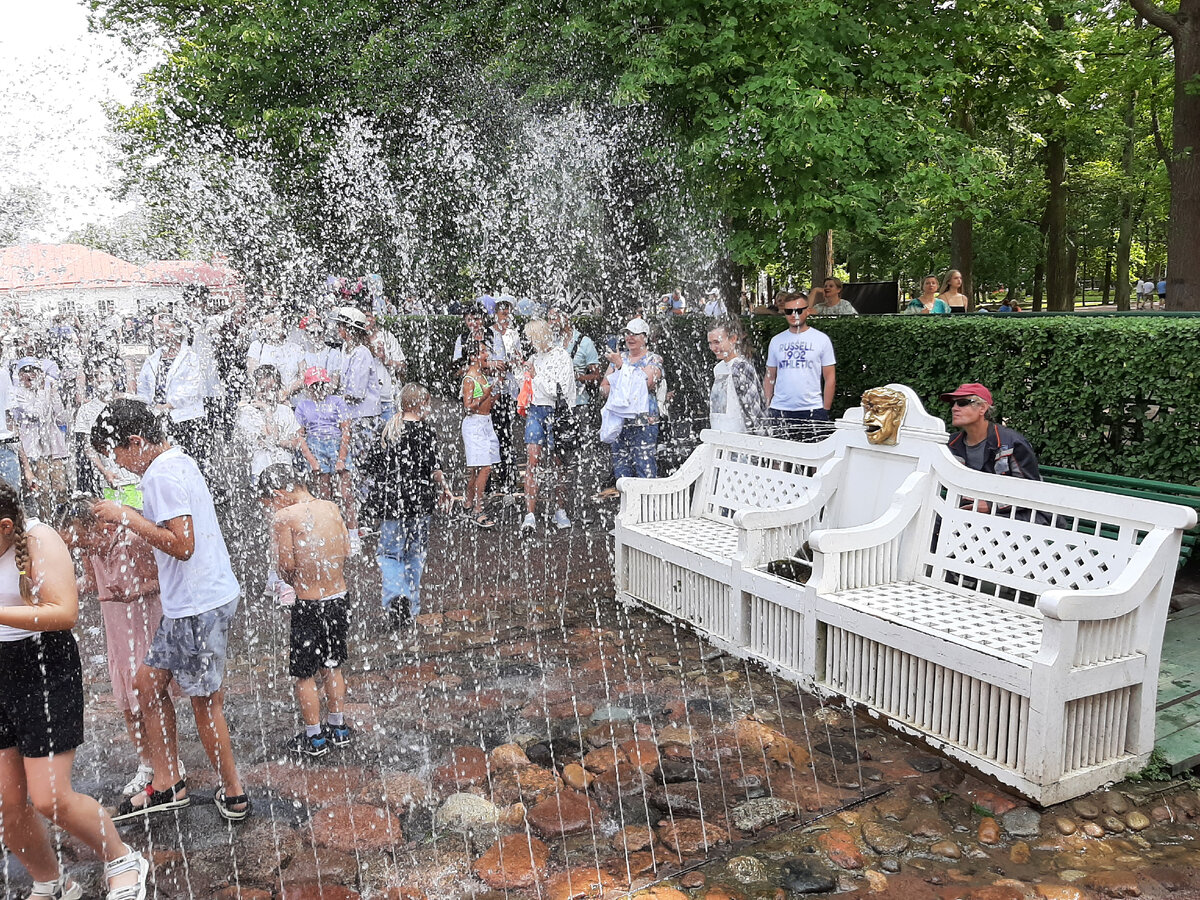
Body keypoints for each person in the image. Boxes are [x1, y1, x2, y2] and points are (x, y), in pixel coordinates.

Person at [90, 398, 248, 823]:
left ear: (136, 441)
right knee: (146, 683)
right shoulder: (179, 460)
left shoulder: (159, 474)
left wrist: (127, 518)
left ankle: (233, 792)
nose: (120, 466)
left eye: (118, 455)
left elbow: (182, 544)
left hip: (197, 606)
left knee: (204, 702)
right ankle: (167, 782)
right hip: (193, 603)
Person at [0, 481, 149, 900]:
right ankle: (52, 882)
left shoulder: (40, 539)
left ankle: (122, 858)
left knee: (49, 798)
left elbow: (63, 612)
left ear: (6, 526)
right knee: (8, 805)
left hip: (42, 665)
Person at [59, 498, 186, 800]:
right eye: (73, 544)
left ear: (97, 525)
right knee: (128, 703)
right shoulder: (90, 549)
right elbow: (90, 582)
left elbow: (162, 580)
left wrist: (133, 592)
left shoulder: (130, 540)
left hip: (145, 621)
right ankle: (146, 764)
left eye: (80, 539)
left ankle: (170, 762)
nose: (79, 548)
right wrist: (55, 590)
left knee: (153, 697)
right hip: (117, 628)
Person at [258, 464, 353, 757]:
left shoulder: (284, 517)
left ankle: (315, 738)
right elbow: (346, 548)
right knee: (332, 663)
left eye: (269, 503)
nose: (270, 509)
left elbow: (286, 565)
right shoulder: (331, 507)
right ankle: (338, 728)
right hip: (339, 595)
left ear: (278, 494)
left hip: (309, 603)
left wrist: (293, 582)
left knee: (305, 674)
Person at [360, 384, 451, 630]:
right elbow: (434, 470)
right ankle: (410, 608)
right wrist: (445, 488)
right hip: (420, 503)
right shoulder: (426, 431)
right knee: (414, 554)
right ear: (419, 405)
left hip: (392, 503)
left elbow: (370, 466)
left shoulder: (388, 430)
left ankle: (395, 596)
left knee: (390, 554)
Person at [940, 383, 1042, 513]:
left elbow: (1032, 491)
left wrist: (991, 505)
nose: (954, 408)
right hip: (966, 514)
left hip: (1017, 517)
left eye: (962, 402)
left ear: (982, 408)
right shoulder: (950, 444)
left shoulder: (1012, 443)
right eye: (952, 404)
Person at [520, 320, 577, 534]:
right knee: (532, 461)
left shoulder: (561, 356)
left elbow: (557, 390)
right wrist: (523, 373)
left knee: (558, 464)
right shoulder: (535, 357)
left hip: (556, 413)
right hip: (535, 411)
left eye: (532, 338)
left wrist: (535, 376)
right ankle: (530, 515)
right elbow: (528, 387)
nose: (530, 343)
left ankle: (560, 510)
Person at [334, 306, 378, 552]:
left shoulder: (362, 354)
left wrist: (335, 392)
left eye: (342, 325)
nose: (338, 330)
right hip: (351, 417)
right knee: (352, 469)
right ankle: (355, 519)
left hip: (363, 418)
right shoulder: (345, 350)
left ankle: (360, 520)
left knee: (360, 469)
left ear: (350, 330)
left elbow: (356, 392)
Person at [763, 293, 836, 441]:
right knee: (779, 458)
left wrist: (825, 409)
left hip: (812, 408)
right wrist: (767, 406)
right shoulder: (776, 341)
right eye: (789, 311)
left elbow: (830, 377)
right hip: (780, 409)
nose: (794, 315)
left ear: (807, 310)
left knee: (814, 457)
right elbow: (770, 375)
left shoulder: (821, 340)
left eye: (799, 310)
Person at [600, 317, 663, 480]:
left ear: (645, 337)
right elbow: (604, 387)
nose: (630, 337)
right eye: (627, 333)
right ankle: (626, 504)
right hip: (620, 422)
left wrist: (620, 371)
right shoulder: (620, 358)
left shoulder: (653, 359)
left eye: (635, 334)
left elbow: (646, 383)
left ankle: (649, 504)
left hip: (644, 422)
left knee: (645, 465)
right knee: (621, 468)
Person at [136, 314, 206, 459]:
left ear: (179, 332)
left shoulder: (191, 357)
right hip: (159, 419)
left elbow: (192, 389)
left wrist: (167, 405)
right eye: (161, 331)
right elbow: (143, 387)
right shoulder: (153, 359)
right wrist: (146, 407)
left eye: (168, 331)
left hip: (186, 419)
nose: (165, 336)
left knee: (190, 461)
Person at [10, 358, 70, 522]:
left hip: (53, 447)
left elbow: (62, 419)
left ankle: (62, 522)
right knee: (43, 491)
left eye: (33, 370)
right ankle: (47, 524)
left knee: (61, 488)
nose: (29, 375)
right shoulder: (18, 395)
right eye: (25, 371)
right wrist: (44, 390)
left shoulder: (47, 390)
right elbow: (38, 414)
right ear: (20, 375)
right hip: (34, 450)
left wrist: (55, 395)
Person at [293, 366, 355, 519]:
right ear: (307, 388)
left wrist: (341, 459)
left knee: (346, 494)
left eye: (321, 385)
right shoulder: (302, 405)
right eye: (314, 386)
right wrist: (312, 461)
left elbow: (346, 430)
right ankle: (327, 527)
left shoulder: (337, 401)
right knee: (323, 495)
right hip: (315, 445)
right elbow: (300, 435)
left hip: (336, 444)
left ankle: (353, 533)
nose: (318, 389)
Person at [235, 365, 303, 482]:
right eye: (262, 389)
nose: (267, 394)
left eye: (272, 389)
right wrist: (267, 410)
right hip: (260, 471)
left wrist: (277, 442)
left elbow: (296, 443)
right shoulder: (248, 412)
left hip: (285, 468)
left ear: (279, 389)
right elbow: (272, 436)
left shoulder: (285, 411)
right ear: (254, 389)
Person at [460, 340, 501, 529]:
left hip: (485, 422)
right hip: (475, 425)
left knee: (476, 469)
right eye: (484, 352)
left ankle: (468, 504)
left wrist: (495, 394)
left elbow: (487, 404)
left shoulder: (482, 376)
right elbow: (468, 407)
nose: (487, 356)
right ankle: (478, 510)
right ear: (473, 356)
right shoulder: (470, 379)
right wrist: (486, 394)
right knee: (485, 468)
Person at [707, 319, 767, 434]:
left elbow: (753, 410)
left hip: (739, 440)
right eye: (710, 343)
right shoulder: (718, 368)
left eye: (717, 342)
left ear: (733, 339)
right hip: (719, 436)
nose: (713, 348)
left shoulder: (741, 367)